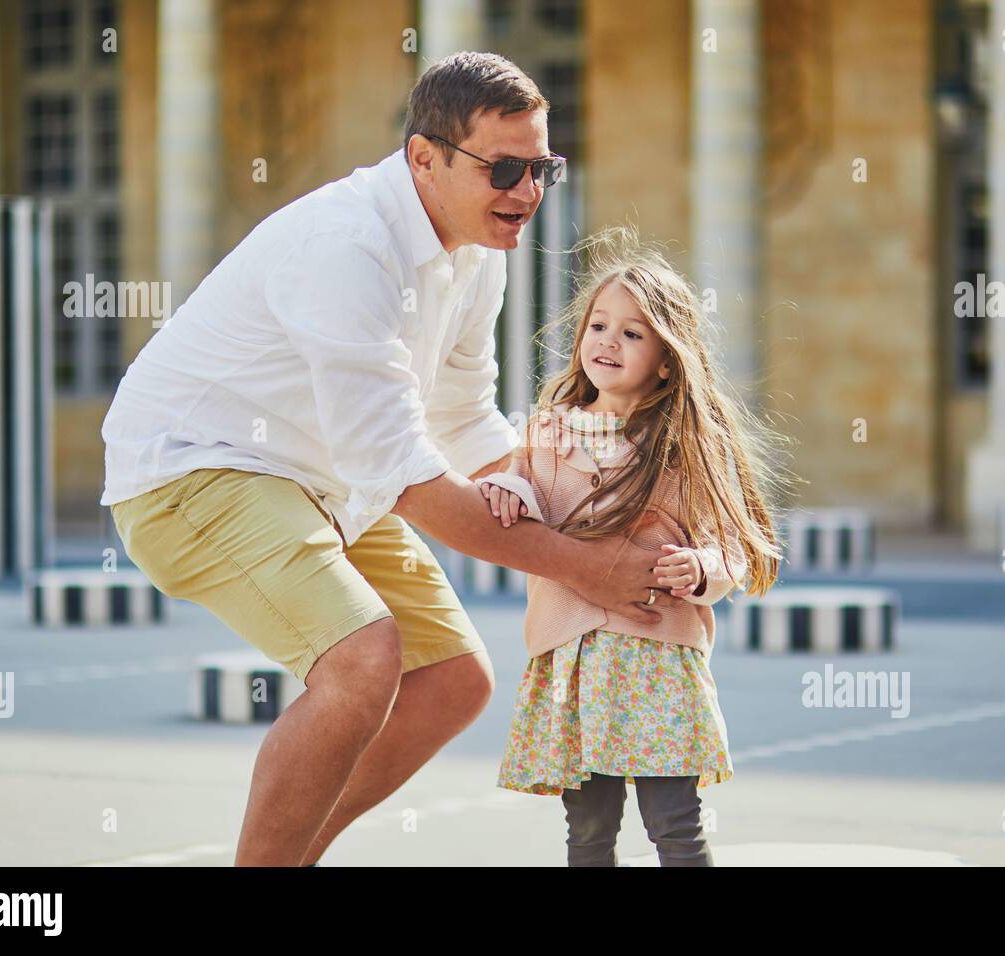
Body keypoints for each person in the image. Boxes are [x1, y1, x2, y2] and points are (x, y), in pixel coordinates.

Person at [101, 53, 679, 867]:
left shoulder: (475, 253)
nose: (527, 192)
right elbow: (408, 476)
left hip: (321, 483)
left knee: (451, 681)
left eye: (541, 167)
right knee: (363, 658)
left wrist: (614, 520)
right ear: (424, 158)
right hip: (193, 472)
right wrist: (589, 568)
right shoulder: (347, 248)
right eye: (504, 168)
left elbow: (463, 420)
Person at [474, 227, 787, 866]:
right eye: (598, 325)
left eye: (633, 333)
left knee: (675, 825)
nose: (608, 342)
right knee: (589, 831)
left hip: (658, 665)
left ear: (668, 358)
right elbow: (524, 489)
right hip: (575, 663)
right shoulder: (547, 427)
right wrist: (509, 488)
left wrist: (701, 568)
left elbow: (733, 542)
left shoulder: (685, 444)